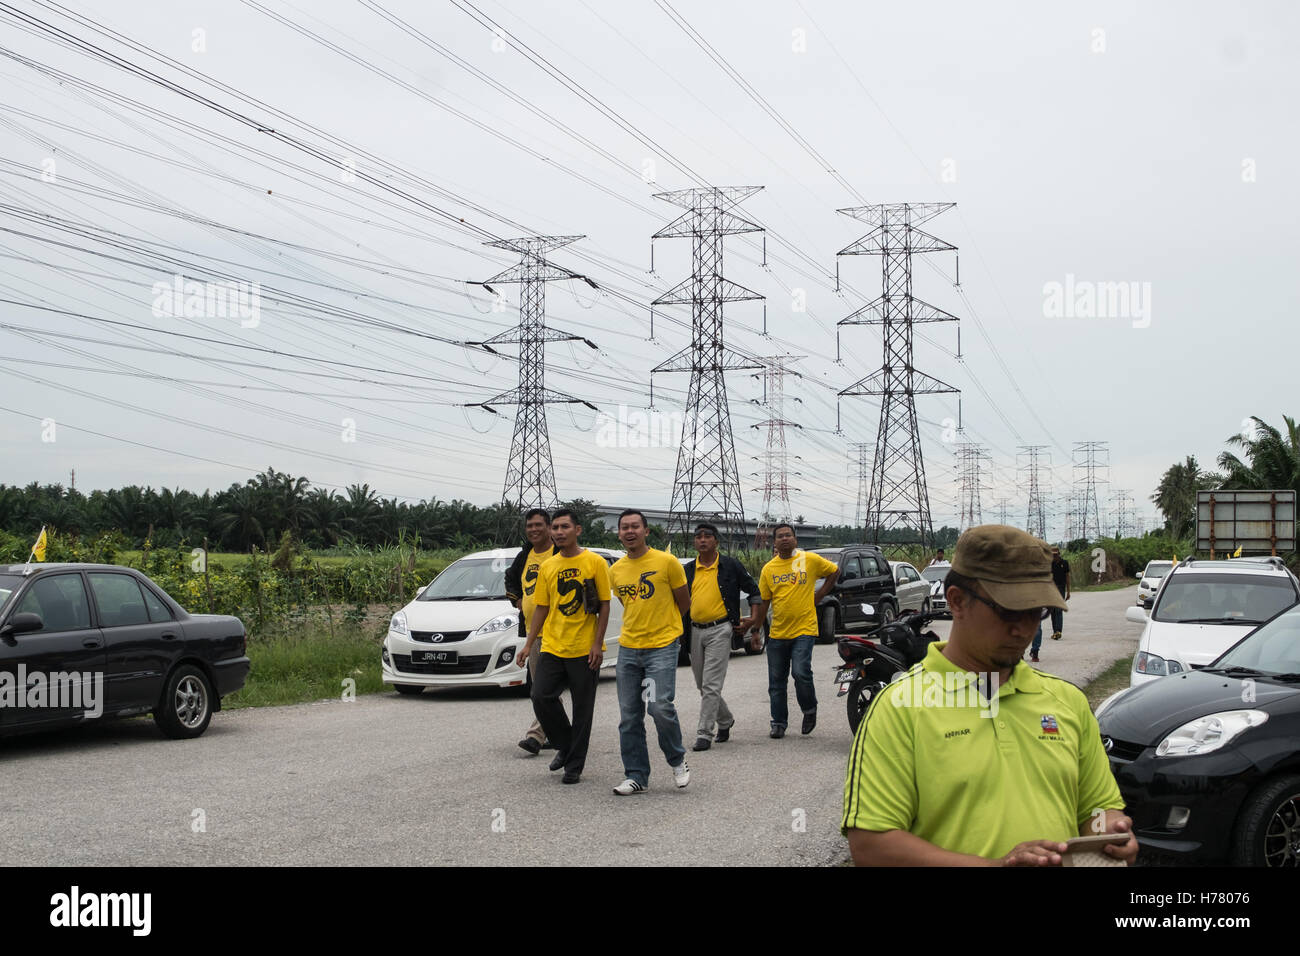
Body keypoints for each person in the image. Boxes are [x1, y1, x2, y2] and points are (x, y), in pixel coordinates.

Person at [842, 524, 1138, 866]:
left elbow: (1096, 807)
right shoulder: (899, 708)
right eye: (1008, 610)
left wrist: (1108, 832)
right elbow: (870, 846)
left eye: (1036, 611)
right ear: (956, 600)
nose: (1023, 628)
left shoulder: (1066, 702)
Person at [516, 509, 610, 785]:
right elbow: (542, 607)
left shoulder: (594, 562)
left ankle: (574, 766)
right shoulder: (549, 566)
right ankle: (565, 745)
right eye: (555, 527)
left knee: (583, 709)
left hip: (584, 649)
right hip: (553, 645)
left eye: (564, 527)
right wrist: (528, 643)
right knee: (540, 695)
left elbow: (604, 605)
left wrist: (597, 644)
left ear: (577, 530)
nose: (558, 532)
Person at [608, 510, 692, 795]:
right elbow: (627, 601)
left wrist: (667, 628)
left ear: (646, 531)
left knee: (659, 707)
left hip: (662, 646)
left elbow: (683, 602)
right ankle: (636, 775)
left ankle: (677, 759)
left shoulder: (667, 562)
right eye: (624, 528)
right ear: (619, 534)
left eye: (635, 526)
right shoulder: (616, 570)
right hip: (629, 648)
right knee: (629, 715)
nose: (629, 531)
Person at [683, 523, 764, 751]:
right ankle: (725, 719)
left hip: (721, 629)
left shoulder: (730, 565)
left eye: (707, 536)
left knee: (711, 684)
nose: (702, 540)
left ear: (716, 541)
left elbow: (754, 591)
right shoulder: (688, 569)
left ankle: (704, 733)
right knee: (702, 684)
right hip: (694, 630)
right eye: (698, 537)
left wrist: (752, 621)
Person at [758, 523, 838, 738]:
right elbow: (764, 601)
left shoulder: (808, 560)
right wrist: (756, 629)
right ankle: (778, 722)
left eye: (788, 535)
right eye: (780, 536)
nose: (784, 539)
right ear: (774, 542)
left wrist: (819, 595)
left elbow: (834, 571)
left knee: (801, 672)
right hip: (777, 633)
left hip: (804, 628)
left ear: (795, 539)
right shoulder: (769, 569)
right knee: (776, 681)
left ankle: (809, 710)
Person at [504, 509, 559, 755]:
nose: (533, 530)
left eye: (538, 525)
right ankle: (554, 731)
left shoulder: (559, 551)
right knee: (542, 688)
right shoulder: (525, 554)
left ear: (549, 527)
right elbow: (511, 578)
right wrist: (517, 600)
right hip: (535, 632)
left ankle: (536, 736)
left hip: (560, 630)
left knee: (544, 689)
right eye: (529, 526)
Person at [1049, 547, 1071, 640]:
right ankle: (1055, 631)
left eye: (1056, 554)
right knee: (1053, 610)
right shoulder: (1050, 564)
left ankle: (1058, 630)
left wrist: (1068, 591)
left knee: (1058, 609)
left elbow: (1067, 577)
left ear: (1059, 553)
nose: (1054, 556)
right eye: (1053, 555)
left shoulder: (1064, 563)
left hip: (1061, 588)